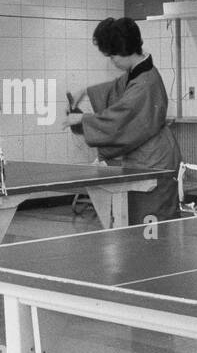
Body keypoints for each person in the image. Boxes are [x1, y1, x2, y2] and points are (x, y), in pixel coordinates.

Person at [63, 17, 182, 224]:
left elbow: (120, 118)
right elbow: (115, 90)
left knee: (151, 220)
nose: (112, 61)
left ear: (125, 51)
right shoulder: (137, 74)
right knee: (138, 219)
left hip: (154, 159)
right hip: (145, 157)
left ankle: (153, 254)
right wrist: (84, 92)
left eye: (112, 56)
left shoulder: (144, 83)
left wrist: (82, 118)